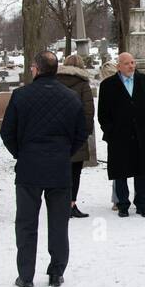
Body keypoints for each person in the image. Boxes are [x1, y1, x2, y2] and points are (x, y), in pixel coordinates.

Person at [0, 51, 87, 287]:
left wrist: (22, 152)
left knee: (26, 223)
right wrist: (65, 152)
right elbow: (82, 132)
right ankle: (56, 272)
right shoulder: (70, 97)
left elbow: (7, 132)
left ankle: (26, 275)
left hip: (30, 167)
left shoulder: (20, 96)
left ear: (36, 69)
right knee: (59, 223)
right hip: (60, 167)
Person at [97, 52, 145, 217]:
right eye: (127, 63)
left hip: (143, 134)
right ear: (119, 66)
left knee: (142, 170)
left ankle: (142, 204)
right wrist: (110, 131)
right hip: (119, 135)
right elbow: (103, 114)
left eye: (132, 62)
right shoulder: (107, 85)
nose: (131, 66)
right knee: (121, 171)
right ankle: (122, 204)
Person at [54, 53, 95, 218]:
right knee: (75, 172)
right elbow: (88, 112)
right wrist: (85, 133)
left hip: (57, 134)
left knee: (59, 171)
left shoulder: (54, 82)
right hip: (76, 134)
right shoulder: (83, 84)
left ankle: (58, 204)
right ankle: (71, 204)